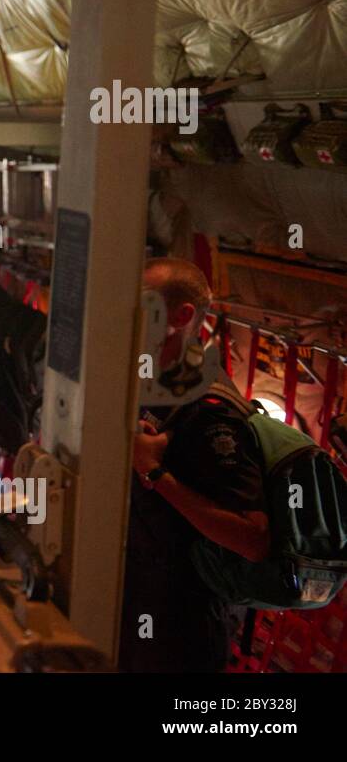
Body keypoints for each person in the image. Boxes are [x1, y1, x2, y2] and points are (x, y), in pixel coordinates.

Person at [121, 257, 268, 673]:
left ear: (182, 316)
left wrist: (155, 474)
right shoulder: (155, 390)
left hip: (181, 627)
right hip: (139, 604)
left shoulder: (211, 409)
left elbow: (252, 540)